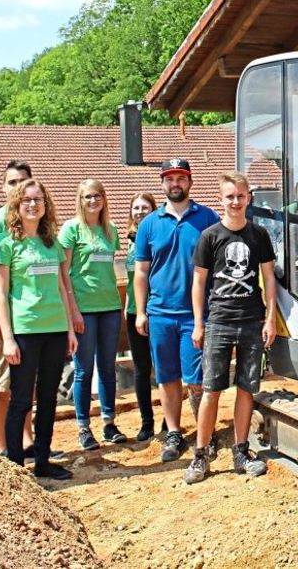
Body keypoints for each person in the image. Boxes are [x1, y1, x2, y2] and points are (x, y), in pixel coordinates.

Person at [184, 172, 276, 484]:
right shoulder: (210, 236)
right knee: (211, 391)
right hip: (219, 321)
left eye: (240, 196)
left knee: (247, 389)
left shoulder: (259, 235)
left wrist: (271, 317)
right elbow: (198, 282)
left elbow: (269, 278)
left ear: (248, 198)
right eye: (230, 196)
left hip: (252, 321)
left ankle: (240, 450)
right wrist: (199, 323)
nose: (235, 201)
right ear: (221, 199)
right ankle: (200, 455)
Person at [133, 158, 220, 463]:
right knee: (167, 376)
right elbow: (141, 271)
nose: (175, 184)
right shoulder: (149, 224)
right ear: (163, 184)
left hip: (196, 315)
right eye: (169, 179)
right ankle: (173, 432)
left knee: (196, 378)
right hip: (160, 313)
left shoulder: (207, 217)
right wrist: (141, 312)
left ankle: (204, 434)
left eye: (181, 178)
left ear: (190, 182)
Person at [0, 179, 76, 480]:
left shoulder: (51, 244)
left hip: (54, 329)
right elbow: (0, 295)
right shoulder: (6, 245)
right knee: (21, 400)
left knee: (50, 398)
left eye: (38, 199)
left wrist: (69, 330)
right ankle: (16, 465)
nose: (32, 204)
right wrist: (8, 339)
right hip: (24, 331)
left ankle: (42, 460)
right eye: (26, 200)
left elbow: (60, 287)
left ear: (45, 205)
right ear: (17, 205)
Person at [0, 161, 47, 458]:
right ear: (3, 187)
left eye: (23, 181)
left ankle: (27, 441)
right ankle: (3, 447)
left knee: (26, 386)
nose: (17, 187)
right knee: (1, 384)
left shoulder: (38, 225)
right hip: (1, 314)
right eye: (11, 182)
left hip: (32, 318)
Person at [61, 179, 126, 451]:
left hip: (109, 307)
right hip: (84, 310)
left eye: (97, 196)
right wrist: (72, 310)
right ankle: (84, 427)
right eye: (87, 196)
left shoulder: (110, 229)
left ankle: (109, 422)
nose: (92, 201)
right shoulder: (71, 229)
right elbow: (62, 273)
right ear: (80, 199)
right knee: (83, 370)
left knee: (108, 368)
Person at [125, 192, 159, 441]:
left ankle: (170, 420)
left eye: (144, 207)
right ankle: (147, 422)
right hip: (135, 312)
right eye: (135, 208)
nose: (139, 211)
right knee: (141, 369)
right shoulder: (128, 240)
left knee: (164, 367)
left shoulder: (157, 235)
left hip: (158, 310)